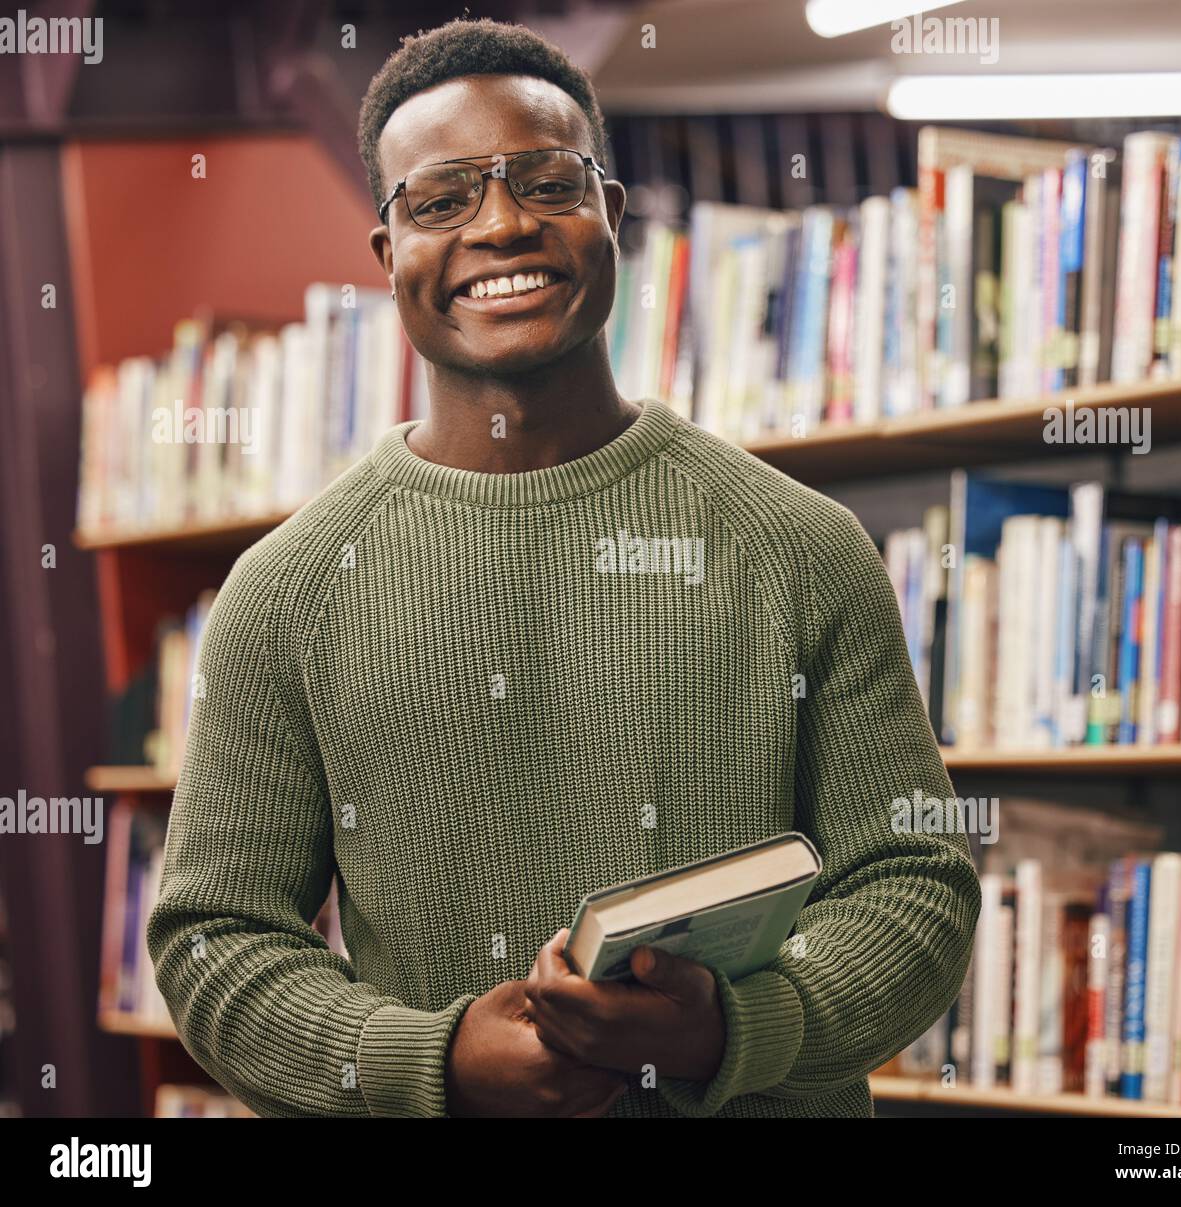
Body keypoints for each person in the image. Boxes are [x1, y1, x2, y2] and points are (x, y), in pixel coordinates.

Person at [147, 16, 980, 1119]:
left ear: (610, 216)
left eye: (545, 182)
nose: (500, 225)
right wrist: (432, 1063)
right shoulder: (284, 592)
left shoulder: (801, 547)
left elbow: (915, 885)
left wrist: (732, 1029)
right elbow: (216, 942)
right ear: (389, 256)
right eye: (441, 199)